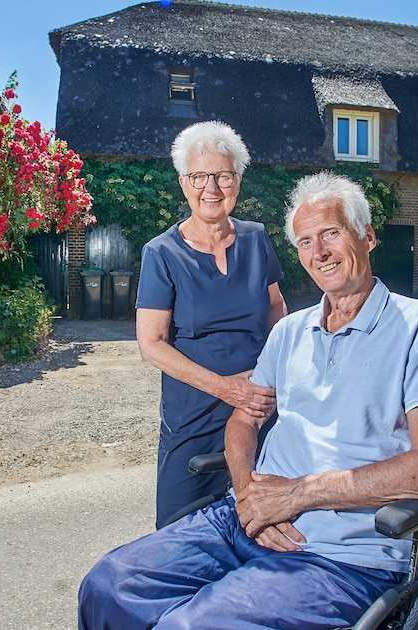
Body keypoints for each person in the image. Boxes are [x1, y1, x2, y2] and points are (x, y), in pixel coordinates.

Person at [78, 172, 418, 629]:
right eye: (306, 241)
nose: (319, 252)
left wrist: (296, 495)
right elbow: (244, 421)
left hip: (340, 555)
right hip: (246, 519)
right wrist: (249, 496)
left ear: (367, 236)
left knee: (190, 626)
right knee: (108, 585)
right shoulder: (289, 331)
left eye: (331, 233)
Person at [136, 121, 287, 529]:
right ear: (184, 183)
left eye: (223, 176)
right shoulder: (161, 253)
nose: (212, 189)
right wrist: (225, 387)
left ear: (238, 182)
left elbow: (276, 308)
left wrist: (273, 374)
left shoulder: (257, 239)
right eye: (200, 176)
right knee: (177, 528)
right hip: (195, 412)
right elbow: (151, 343)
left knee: (265, 523)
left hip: (259, 407)